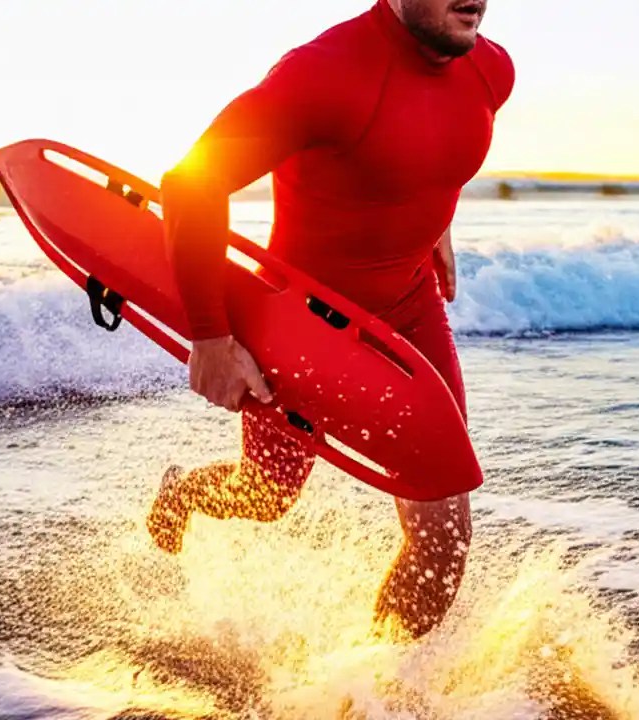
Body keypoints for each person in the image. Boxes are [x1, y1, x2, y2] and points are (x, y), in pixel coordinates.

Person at [147, 0, 514, 639]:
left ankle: (373, 690)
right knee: (267, 497)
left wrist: (438, 227)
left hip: (408, 313)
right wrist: (210, 337)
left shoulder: (491, 71)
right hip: (301, 321)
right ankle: (184, 490)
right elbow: (190, 184)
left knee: (445, 537)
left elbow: (423, 155)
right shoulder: (323, 73)